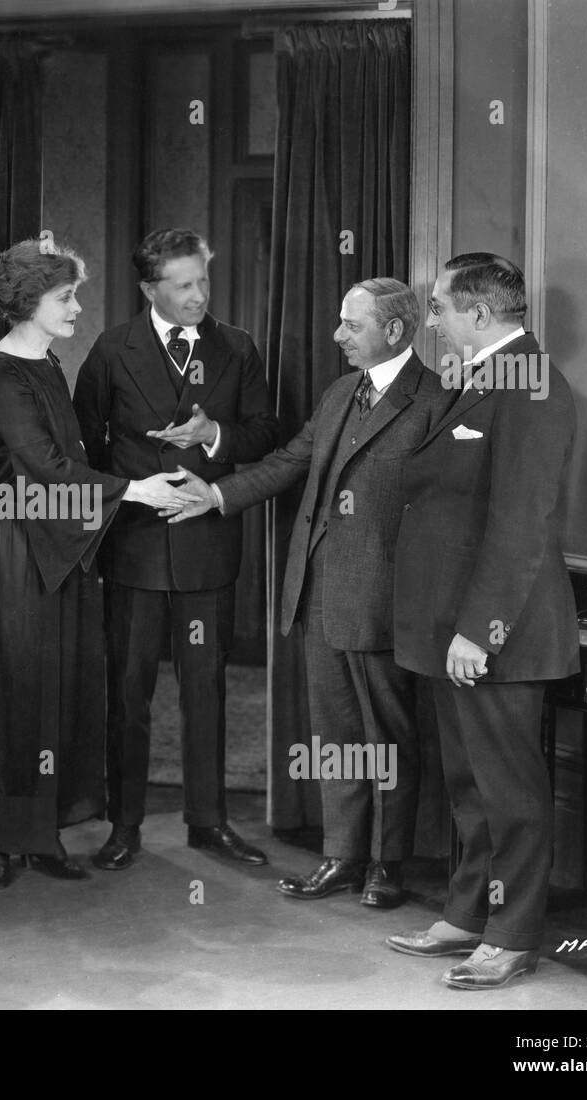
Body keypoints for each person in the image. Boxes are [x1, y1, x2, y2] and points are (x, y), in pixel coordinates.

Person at [167, 278, 452, 908]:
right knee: (337, 737)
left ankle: (388, 864)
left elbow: (445, 520)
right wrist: (216, 495)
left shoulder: (434, 403)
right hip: (318, 593)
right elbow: (291, 461)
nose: (338, 336)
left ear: (396, 331)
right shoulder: (340, 393)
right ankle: (344, 855)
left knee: (388, 738)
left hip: (383, 602)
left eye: (352, 325)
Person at [0, 233, 195, 888]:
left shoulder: (48, 364)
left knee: (57, 692)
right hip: (17, 547)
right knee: (13, 692)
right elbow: (45, 465)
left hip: (59, 545)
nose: (74, 308)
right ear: (32, 300)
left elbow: (70, 459)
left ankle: (39, 835)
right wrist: (133, 489)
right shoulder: (0, 373)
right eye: (66, 297)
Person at [387, 253, 578, 989]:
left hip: (497, 632)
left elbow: (519, 522)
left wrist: (480, 630)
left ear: (477, 313)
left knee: (509, 791)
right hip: (449, 624)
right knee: (468, 785)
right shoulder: (478, 378)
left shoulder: (530, 381)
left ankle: (514, 934)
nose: (429, 321)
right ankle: (467, 915)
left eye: (437, 308)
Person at [73, 228, 281, 871]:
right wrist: (131, 494)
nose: (199, 295)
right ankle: (124, 825)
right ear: (149, 288)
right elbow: (83, 445)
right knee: (128, 693)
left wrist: (214, 433)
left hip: (207, 548)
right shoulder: (112, 350)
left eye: (203, 281)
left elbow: (267, 430)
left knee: (205, 691)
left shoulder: (236, 348)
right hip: (134, 550)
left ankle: (208, 823)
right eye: (183, 284)